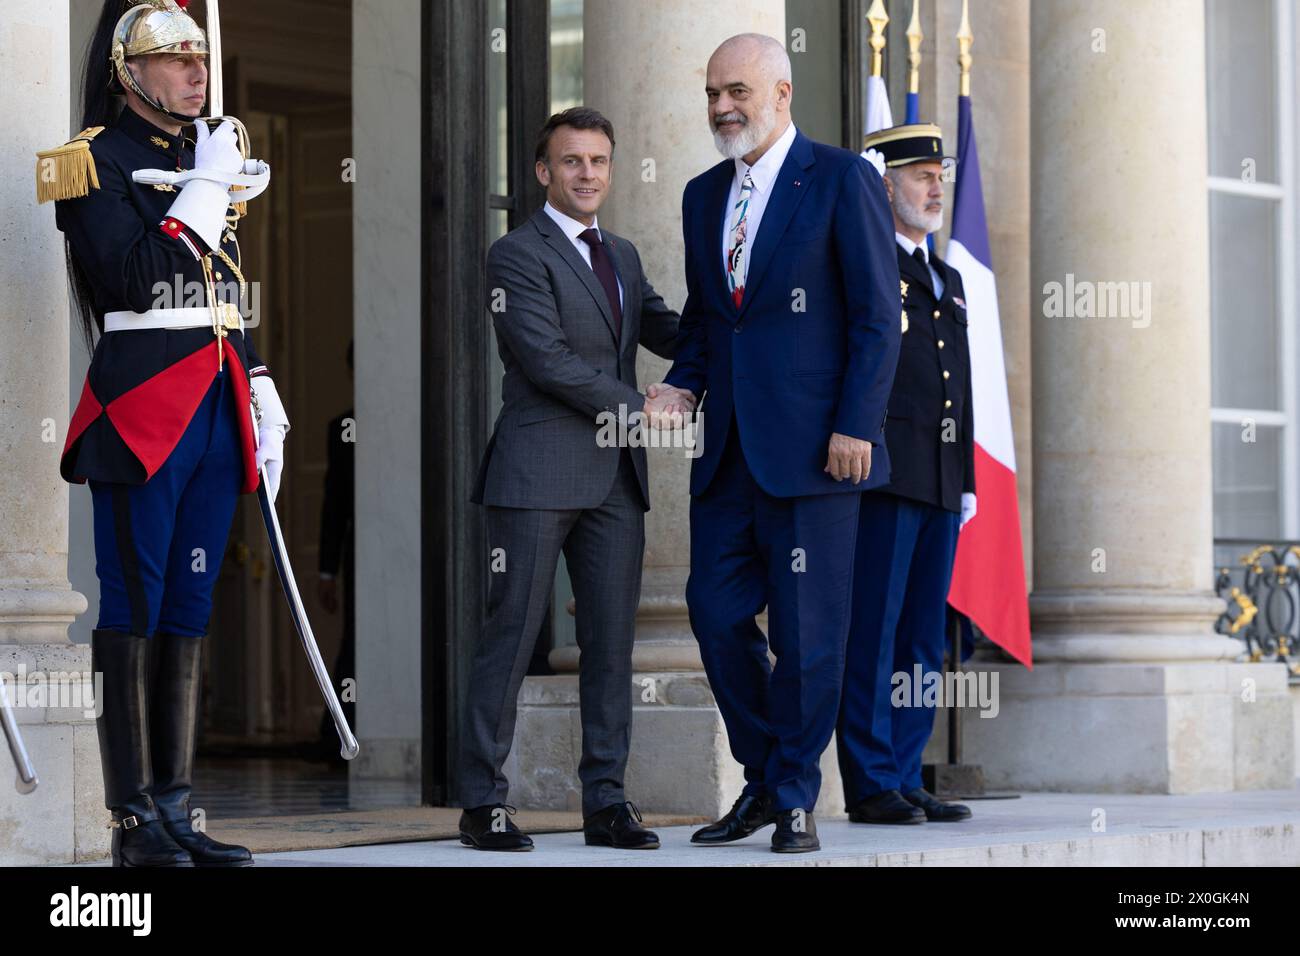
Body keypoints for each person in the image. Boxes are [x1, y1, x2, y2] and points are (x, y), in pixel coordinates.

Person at [40, 0, 287, 866]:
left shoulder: (203, 156)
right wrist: (205, 187)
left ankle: (178, 807)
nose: (196, 72)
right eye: (176, 59)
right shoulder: (87, 164)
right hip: (140, 408)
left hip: (216, 401)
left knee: (189, 605)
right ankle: (130, 822)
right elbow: (138, 280)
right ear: (129, 72)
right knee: (135, 604)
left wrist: (258, 379)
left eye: (200, 58)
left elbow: (220, 285)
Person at [657, 34, 900, 853]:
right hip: (726, 453)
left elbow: (876, 316)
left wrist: (856, 425)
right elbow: (706, 319)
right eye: (713, 93)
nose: (723, 107)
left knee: (807, 634)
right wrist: (682, 381)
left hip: (818, 454)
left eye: (738, 91)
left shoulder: (842, 178)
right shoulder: (699, 196)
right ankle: (767, 776)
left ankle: (795, 797)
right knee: (715, 615)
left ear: (782, 92)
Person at [458, 107, 687, 851]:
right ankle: (482, 803)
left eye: (598, 162)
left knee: (611, 645)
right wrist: (643, 407)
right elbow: (545, 358)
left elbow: (664, 327)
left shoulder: (620, 253)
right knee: (513, 636)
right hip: (537, 470)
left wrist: (728, 346)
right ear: (543, 172)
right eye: (572, 162)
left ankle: (607, 802)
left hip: (616, 479)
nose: (588, 175)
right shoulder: (515, 255)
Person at [838, 124, 975, 825]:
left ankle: (905, 769)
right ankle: (867, 780)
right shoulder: (865, 267)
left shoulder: (944, 276)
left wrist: (969, 475)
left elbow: (960, 381)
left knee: (923, 637)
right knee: (877, 629)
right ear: (883, 185)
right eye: (920, 174)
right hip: (885, 476)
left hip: (941, 480)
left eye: (939, 173)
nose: (934, 185)